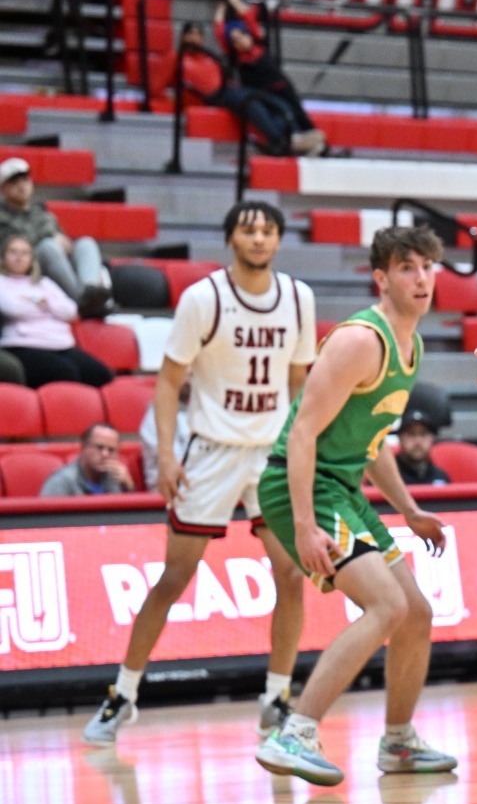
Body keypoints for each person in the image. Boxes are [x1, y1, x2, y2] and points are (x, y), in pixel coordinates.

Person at [82, 201, 316, 747]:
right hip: (210, 451)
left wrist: (301, 447)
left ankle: (276, 698)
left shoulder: (299, 299)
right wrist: (166, 454)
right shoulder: (203, 298)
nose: (259, 239)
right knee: (173, 580)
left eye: (268, 230)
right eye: (248, 230)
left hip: (270, 454)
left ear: (279, 240)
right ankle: (123, 694)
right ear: (231, 238)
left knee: (291, 575)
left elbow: (301, 382)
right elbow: (167, 383)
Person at [252, 225, 456, 787]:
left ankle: (399, 743)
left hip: (342, 486)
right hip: (302, 486)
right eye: (408, 268)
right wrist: (304, 525)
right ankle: (294, 731)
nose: (421, 278)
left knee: (416, 612)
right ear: (381, 278)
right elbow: (301, 435)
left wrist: (409, 510)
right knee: (387, 606)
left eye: (428, 267)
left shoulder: (410, 345)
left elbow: (372, 444)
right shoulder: (361, 340)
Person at [216, 0, 330, 157]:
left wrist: (234, 2)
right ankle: (299, 143)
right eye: (235, 40)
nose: (240, 41)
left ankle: (318, 144)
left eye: (242, 36)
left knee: (296, 112)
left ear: (248, 34)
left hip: (281, 87)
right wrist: (221, 9)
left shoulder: (259, 41)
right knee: (283, 113)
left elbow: (248, 17)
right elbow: (220, 31)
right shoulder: (236, 57)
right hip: (265, 92)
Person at [0, 157, 111, 315]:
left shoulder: (42, 214)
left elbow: (65, 245)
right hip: (26, 269)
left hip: (57, 269)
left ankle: (90, 290)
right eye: (14, 182)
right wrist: (50, 237)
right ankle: (82, 301)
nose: (21, 186)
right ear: (3, 189)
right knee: (47, 247)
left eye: (24, 180)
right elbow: (13, 248)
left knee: (86, 243)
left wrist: (64, 244)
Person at [0, 234, 112, 387]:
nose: (19, 258)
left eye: (24, 253)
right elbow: (14, 309)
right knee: (66, 374)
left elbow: (71, 311)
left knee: (100, 375)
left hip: (60, 344)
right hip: (23, 345)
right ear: (3, 257)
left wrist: (40, 303)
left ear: (32, 259)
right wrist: (46, 305)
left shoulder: (45, 283)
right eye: (13, 252)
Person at [41, 424, 135, 497]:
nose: (105, 454)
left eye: (111, 450)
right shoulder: (61, 482)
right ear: (83, 448)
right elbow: (46, 520)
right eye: (99, 447)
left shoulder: (117, 480)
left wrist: (129, 487)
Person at [394, 406, 452, 486]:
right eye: (411, 434)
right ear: (400, 438)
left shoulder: (441, 477)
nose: (418, 441)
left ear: (432, 438)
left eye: (423, 434)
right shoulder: (386, 477)